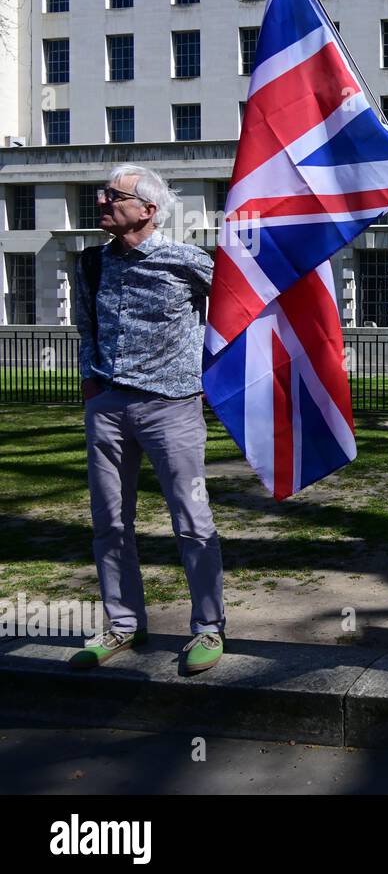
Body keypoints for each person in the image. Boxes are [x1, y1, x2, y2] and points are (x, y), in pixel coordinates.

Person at [69, 164, 226, 675]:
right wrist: (91, 383)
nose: (102, 201)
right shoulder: (91, 262)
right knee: (109, 523)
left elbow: (237, 311)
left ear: (148, 210)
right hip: (107, 409)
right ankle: (123, 624)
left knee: (192, 520)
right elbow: (86, 326)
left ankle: (208, 626)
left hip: (172, 408)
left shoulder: (188, 261)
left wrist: (211, 376)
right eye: (102, 194)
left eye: (113, 196)